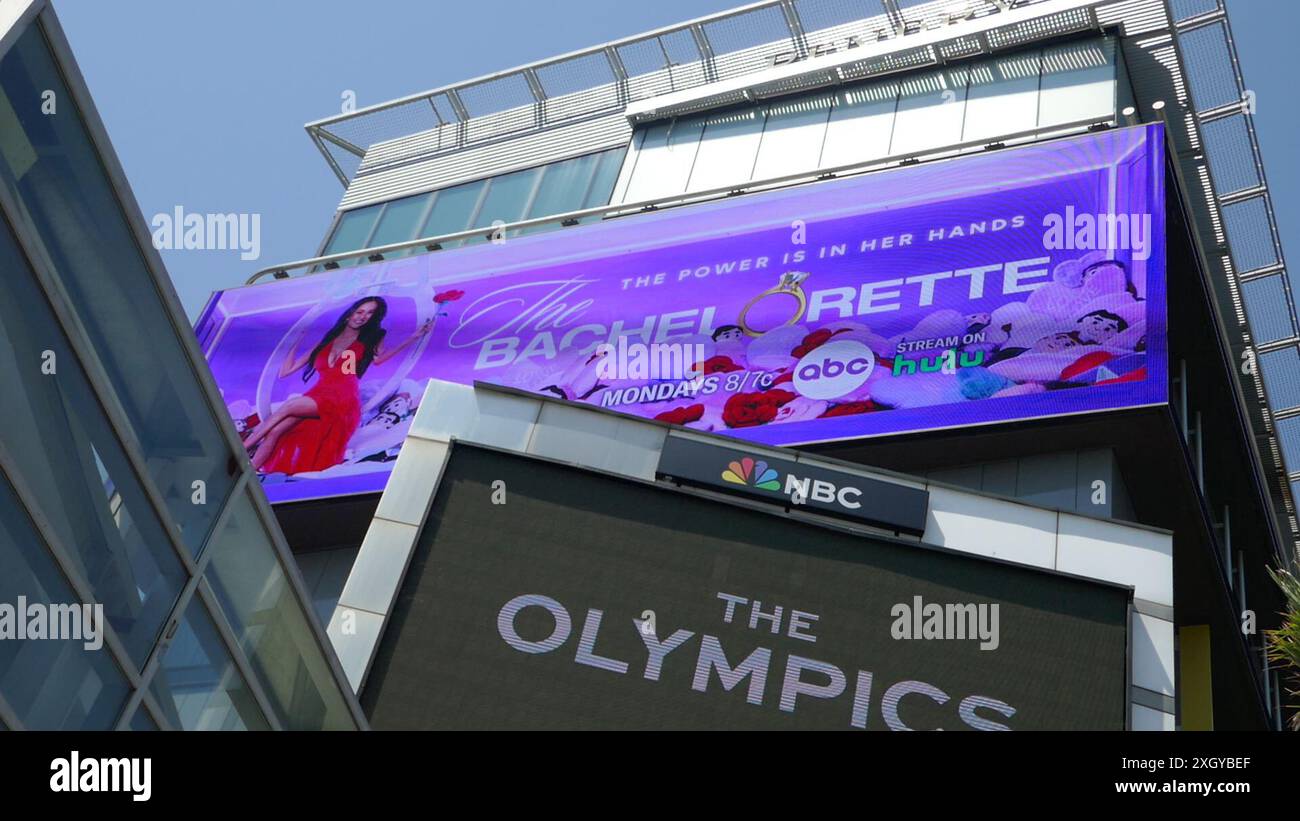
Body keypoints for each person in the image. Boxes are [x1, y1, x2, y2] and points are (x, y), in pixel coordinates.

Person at [242, 297, 432, 474]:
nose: (363, 317)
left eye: (370, 313)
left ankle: (245, 446)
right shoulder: (325, 342)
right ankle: (250, 471)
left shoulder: (370, 338)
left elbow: (379, 360)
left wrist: (413, 337)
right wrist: (296, 339)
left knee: (289, 406)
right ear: (350, 313)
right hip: (317, 394)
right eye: (360, 311)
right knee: (276, 430)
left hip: (342, 398)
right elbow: (286, 371)